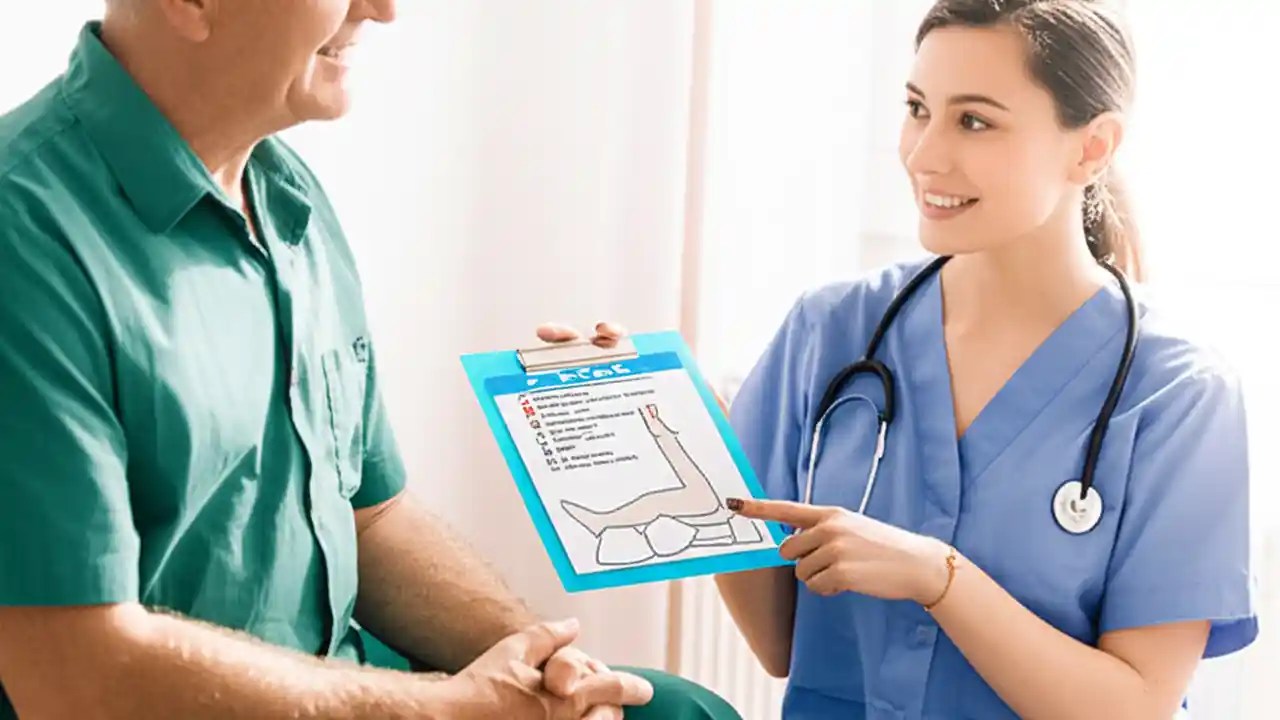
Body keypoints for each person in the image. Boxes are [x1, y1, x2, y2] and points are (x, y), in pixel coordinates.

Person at [0, 2, 735, 718]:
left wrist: (545, 670)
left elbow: (371, 515)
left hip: (343, 681)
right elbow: (73, 675)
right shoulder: (24, 235)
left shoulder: (287, 195)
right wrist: (444, 711)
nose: (383, 9)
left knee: (679, 710)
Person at [547, 1, 1256, 718]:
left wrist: (937, 577)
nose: (923, 154)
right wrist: (677, 419)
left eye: (973, 121)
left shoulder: (1178, 395)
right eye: (918, 109)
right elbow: (777, 639)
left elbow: (1135, 706)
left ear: (1092, 147)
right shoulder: (830, 330)